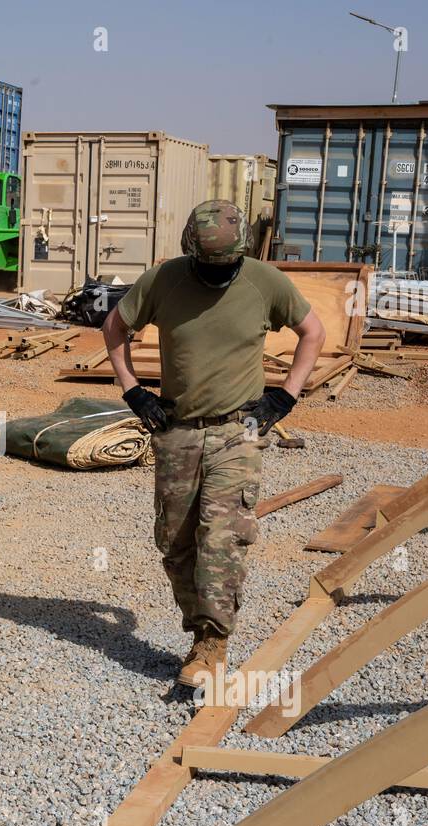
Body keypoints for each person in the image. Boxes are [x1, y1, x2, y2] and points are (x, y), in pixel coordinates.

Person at [101, 199, 327, 688]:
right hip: (176, 426)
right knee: (176, 542)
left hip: (240, 428)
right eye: (208, 266)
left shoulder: (266, 282)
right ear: (190, 252)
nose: (218, 274)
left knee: (222, 534)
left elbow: (313, 332)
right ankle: (198, 630)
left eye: (227, 266)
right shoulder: (163, 280)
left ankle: (211, 644)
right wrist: (133, 388)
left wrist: (284, 399)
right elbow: (115, 327)